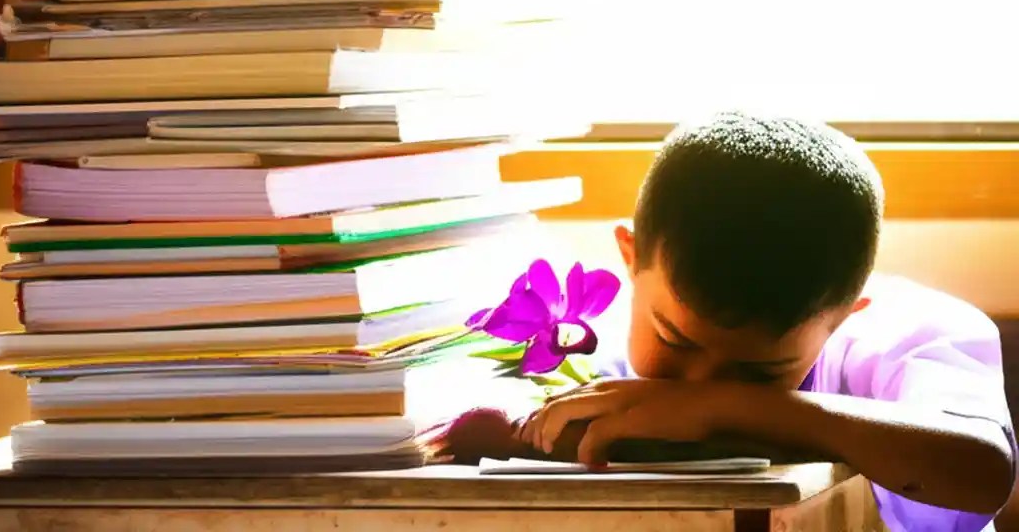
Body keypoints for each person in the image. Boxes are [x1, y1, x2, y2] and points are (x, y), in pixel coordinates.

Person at [426, 111, 1015, 532]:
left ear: (845, 315)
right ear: (631, 260)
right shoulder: (595, 370)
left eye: (758, 371)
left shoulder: (905, 340)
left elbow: (980, 472)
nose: (697, 382)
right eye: (674, 339)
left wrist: (724, 408)